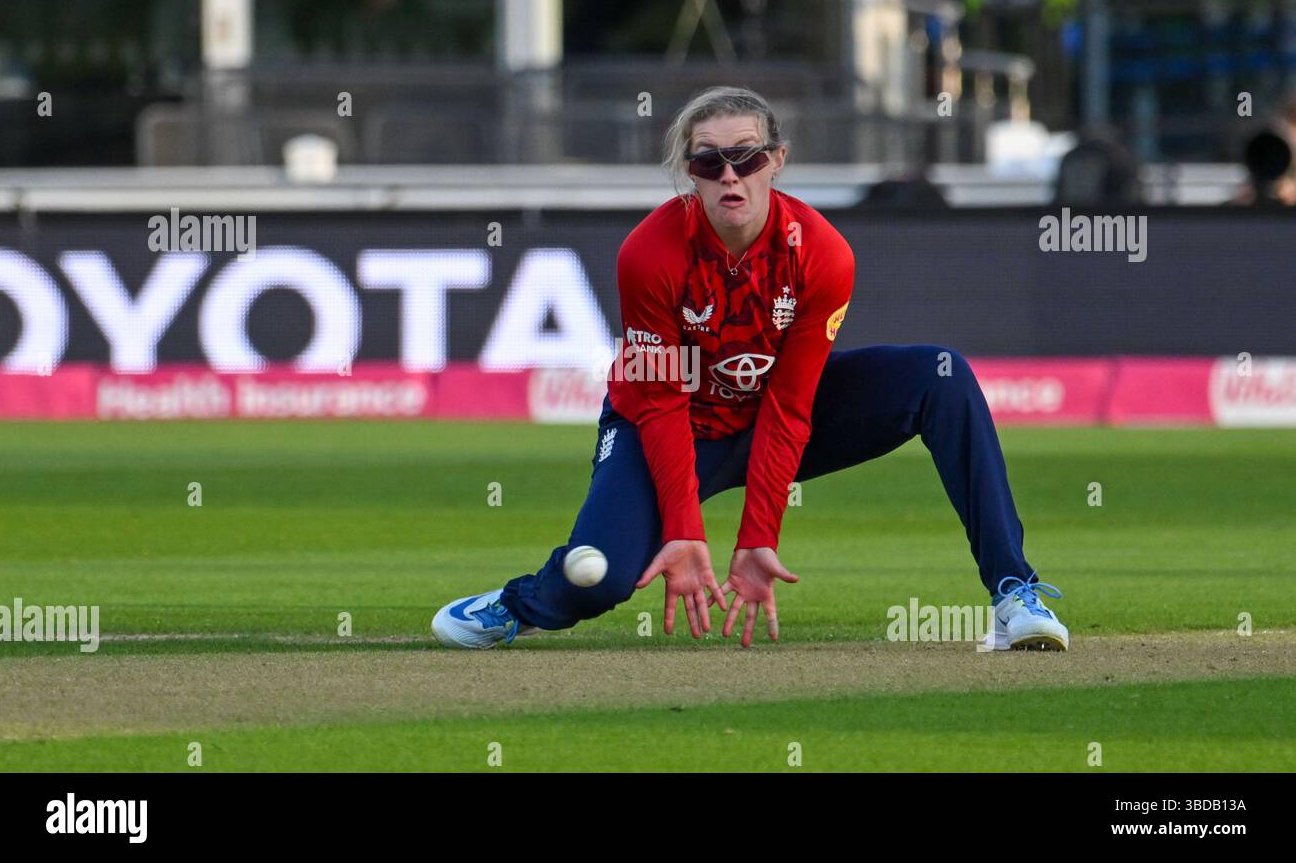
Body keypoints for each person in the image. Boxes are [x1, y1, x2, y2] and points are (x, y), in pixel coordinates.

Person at [432, 86, 1067, 651]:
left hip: (771, 414)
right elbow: (660, 403)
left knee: (941, 376)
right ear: (691, 172)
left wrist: (757, 537)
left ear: (777, 161)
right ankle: (514, 606)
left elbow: (792, 407)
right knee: (598, 580)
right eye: (710, 161)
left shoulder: (822, 255)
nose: (730, 175)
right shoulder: (648, 254)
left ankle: (1014, 592)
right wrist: (684, 532)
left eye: (748, 157)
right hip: (668, 426)